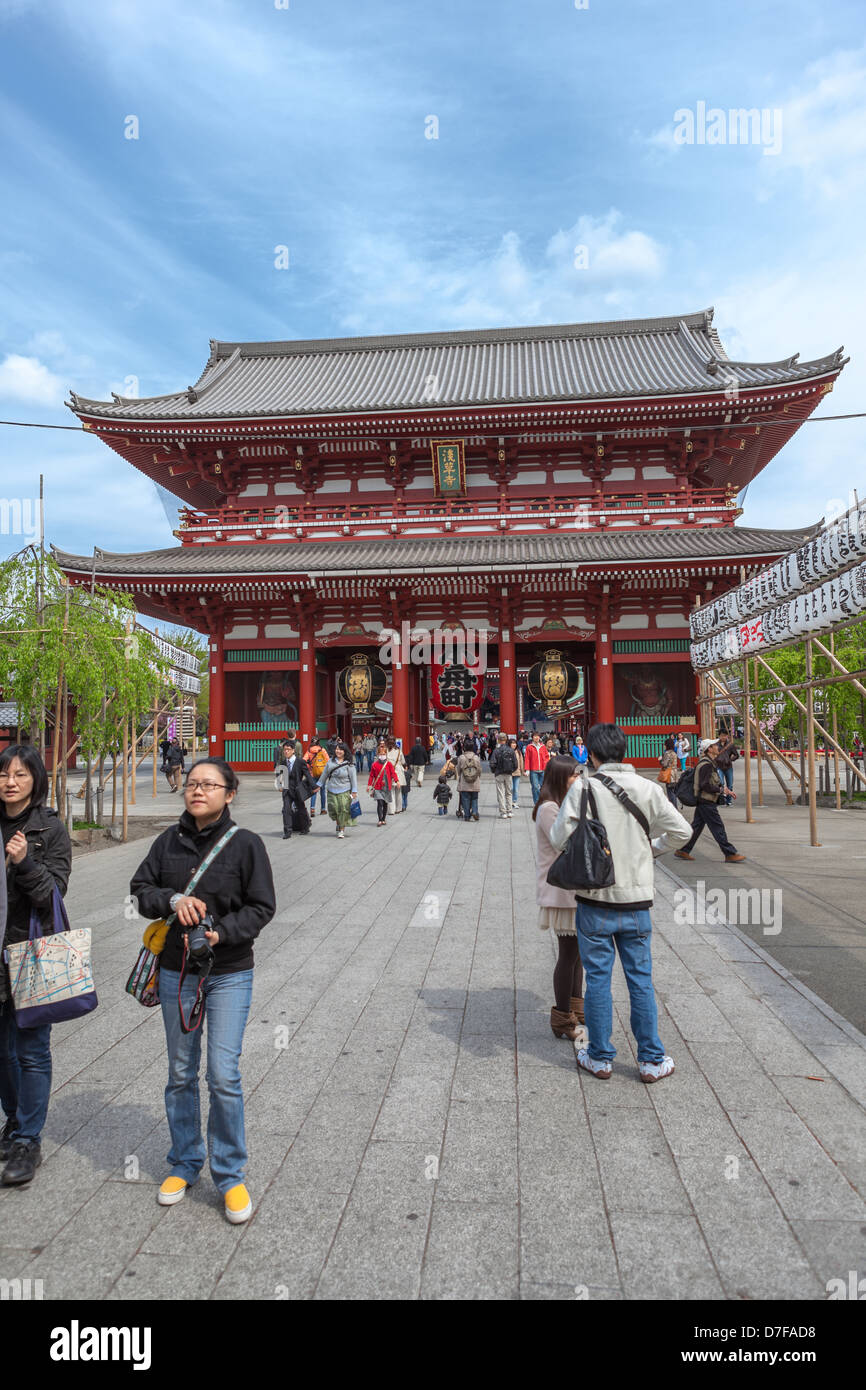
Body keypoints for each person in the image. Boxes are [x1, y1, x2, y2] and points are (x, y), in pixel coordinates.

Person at [130, 757, 276, 1224]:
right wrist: (173, 899)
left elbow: (261, 907)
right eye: (192, 784)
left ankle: (230, 1173)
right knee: (179, 1070)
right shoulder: (166, 842)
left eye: (209, 785)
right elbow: (140, 890)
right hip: (176, 972)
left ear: (230, 794)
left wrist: (220, 933)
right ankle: (186, 1160)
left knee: (223, 1074)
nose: (197, 791)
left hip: (229, 971)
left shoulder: (246, 845)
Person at [550, 724, 692, 1083]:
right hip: (637, 901)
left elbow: (557, 839)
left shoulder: (583, 788)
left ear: (592, 755)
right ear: (623, 752)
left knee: (598, 980)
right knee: (640, 980)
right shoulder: (648, 788)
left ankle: (599, 1057)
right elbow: (682, 833)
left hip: (595, 899)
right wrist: (651, 849)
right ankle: (650, 1059)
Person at [0, 746, 73, 1186]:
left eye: (20, 775)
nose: (10, 782)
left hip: (28, 951)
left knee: (30, 1049)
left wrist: (25, 861)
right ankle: (14, 1121)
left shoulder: (49, 828)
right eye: (5, 774)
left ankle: (28, 1138)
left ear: (35, 780)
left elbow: (54, 895)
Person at [534, 755, 584, 1039]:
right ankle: (563, 1018)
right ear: (560, 778)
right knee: (569, 955)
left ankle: (576, 1009)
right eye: (573, 776)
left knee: (577, 957)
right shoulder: (550, 808)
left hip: (570, 888)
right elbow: (565, 841)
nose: (577, 780)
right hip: (561, 889)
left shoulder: (559, 805)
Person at [675, 739, 745, 864]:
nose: (717, 747)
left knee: (696, 827)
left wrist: (725, 790)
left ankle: (684, 850)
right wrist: (720, 790)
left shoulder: (709, 762)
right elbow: (704, 785)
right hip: (706, 800)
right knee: (718, 827)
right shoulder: (706, 765)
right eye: (714, 745)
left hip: (705, 801)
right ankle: (729, 853)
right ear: (709, 749)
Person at [275, 741, 317, 838]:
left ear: (293, 750)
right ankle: (287, 831)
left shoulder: (300, 762)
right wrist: (279, 785)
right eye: (284, 750)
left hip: (297, 790)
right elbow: (278, 774)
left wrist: (314, 786)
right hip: (286, 790)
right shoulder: (283, 762)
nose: (286, 752)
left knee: (301, 809)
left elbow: (307, 774)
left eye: (288, 750)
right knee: (286, 810)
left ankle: (305, 827)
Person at [318, 743, 359, 839]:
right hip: (332, 789)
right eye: (337, 749)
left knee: (343, 810)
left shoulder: (349, 764)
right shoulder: (330, 762)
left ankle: (341, 830)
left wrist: (354, 791)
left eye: (340, 749)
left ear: (345, 752)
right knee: (334, 809)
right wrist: (318, 785)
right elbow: (324, 774)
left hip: (345, 790)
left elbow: (353, 778)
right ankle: (339, 823)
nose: (338, 751)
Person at [368, 742, 398, 826]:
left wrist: (397, 781)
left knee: (385, 803)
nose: (382, 755)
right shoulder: (374, 764)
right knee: (380, 802)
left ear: (386, 754)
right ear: (378, 754)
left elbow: (393, 773)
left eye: (384, 753)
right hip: (377, 786)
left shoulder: (388, 764)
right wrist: (369, 785)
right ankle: (380, 819)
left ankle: (384, 818)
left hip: (387, 786)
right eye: (380, 754)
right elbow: (371, 776)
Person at [489, 732, 518, 819]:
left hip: (499, 774)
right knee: (509, 792)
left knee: (501, 793)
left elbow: (492, 763)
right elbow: (515, 764)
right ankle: (509, 811)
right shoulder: (511, 750)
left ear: (498, 740)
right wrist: (511, 770)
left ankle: (503, 812)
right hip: (508, 774)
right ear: (506, 740)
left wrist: (495, 771)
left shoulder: (496, 751)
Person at [456, 744, 482, 821]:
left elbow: (458, 770)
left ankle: (467, 816)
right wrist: (477, 777)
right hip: (474, 781)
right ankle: (474, 811)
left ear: (464, 748)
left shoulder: (461, 757)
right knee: (474, 798)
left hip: (464, 782)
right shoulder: (476, 757)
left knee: (465, 798)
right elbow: (479, 770)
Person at [524, 731, 550, 805]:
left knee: (542, 787)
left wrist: (546, 765)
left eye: (538, 736)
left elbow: (547, 757)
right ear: (532, 737)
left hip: (542, 769)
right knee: (535, 787)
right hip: (533, 770)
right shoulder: (529, 747)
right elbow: (527, 759)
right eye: (535, 736)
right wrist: (527, 769)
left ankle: (541, 800)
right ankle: (536, 802)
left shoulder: (543, 746)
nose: (536, 737)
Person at [306, 739, 329, 818]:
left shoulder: (309, 750)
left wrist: (309, 768)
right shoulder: (322, 750)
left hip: (313, 773)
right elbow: (328, 761)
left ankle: (312, 809)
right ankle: (323, 809)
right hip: (322, 773)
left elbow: (304, 761)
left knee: (314, 791)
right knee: (322, 791)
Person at [715, 733, 740, 807]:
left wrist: (730, 759)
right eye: (722, 735)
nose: (723, 737)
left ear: (727, 736)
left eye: (725, 735)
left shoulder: (730, 745)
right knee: (721, 783)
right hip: (719, 766)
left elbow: (736, 755)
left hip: (728, 767)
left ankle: (729, 801)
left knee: (730, 784)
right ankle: (722, 799)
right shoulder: (716, 744)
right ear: (719, 736)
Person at [386, 736, 408, 813]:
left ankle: (391, 810)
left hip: (389, 771)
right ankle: (398, 808)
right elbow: (403, 762)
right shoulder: (399, 751)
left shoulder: (385, 751)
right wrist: (405, 767)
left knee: (391, 791)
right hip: (398, 771)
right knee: (398, 791)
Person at [658, 736, 679, 806]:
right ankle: (675, 808)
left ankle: (674, 809)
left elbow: (664, 764)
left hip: (669, 775)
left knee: (670, 793)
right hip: (675, 775)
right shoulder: (674, 753)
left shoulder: (667, 753)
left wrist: (660, 760)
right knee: (674, 793)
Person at [509, 737, 525, 809]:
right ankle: (509, 801)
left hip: (517, 772)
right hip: (509, 772)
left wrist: (523, 771)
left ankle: (514, 801)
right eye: (512, 743)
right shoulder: (507, 751)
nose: (514, 744)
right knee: (511, 788)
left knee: (516, 788)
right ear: (509, 744)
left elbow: (521, 762)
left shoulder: (518, 752)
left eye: (515, 743)